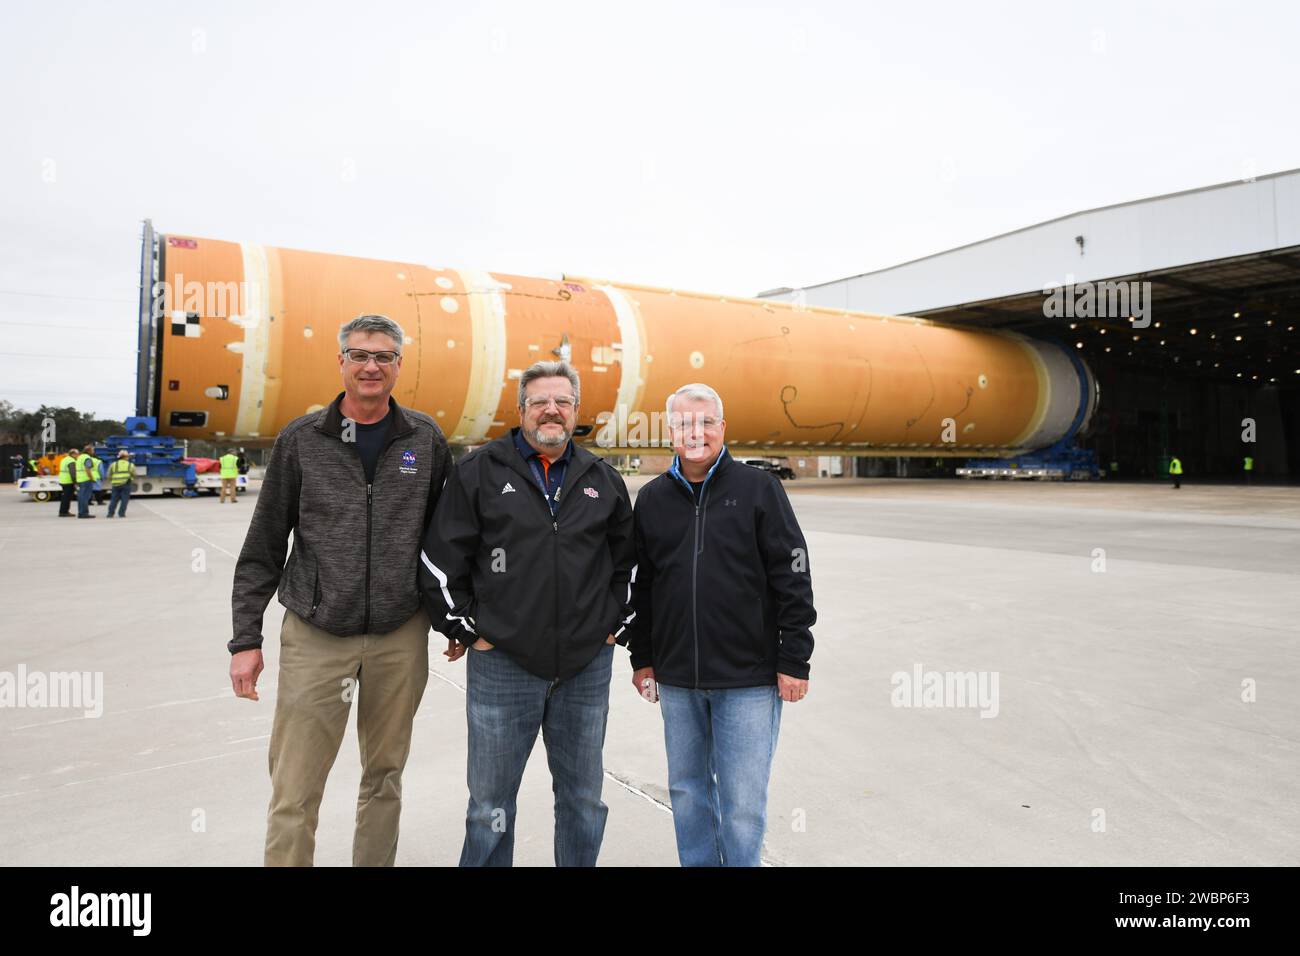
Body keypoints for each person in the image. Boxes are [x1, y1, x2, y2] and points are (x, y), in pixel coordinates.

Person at [229, 313, 451, 867]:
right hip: (316, 632)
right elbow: (262, 545)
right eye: (359, 355)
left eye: (383, 356)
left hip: (400, 635)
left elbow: (447, 541)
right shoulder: (302, 440)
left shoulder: (423, 440)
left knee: (385, 777)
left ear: (399, 364)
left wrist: (455, 619)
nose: (371, 366)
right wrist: (245, 640)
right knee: (295, 785)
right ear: (342, 362)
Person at [419, 360, 635, 867]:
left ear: (576, 410)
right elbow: (439, 560)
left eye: (562, 401)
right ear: (521, 411)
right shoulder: (480, 470)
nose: (551, 410)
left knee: (584, 801)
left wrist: (612, 628)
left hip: (585, 669)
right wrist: (469, 631)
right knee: (490, 806)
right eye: (539, 401)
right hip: (503, 667)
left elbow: (628, 565)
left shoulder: (601, 479)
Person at [626, 383, 816, 867]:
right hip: (677, 679)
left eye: (706, 421)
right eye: (685, 423)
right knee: (687, 792)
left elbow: (792, 575)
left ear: (722, 429)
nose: (697, 432)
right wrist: (642, 657)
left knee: (742, 804)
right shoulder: (651, 499)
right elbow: (643, 585)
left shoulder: (759, 489)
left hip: (748, 680)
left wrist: (794, 658)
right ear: (670, 433)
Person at [106, 449, 135, 518]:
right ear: (125, 457)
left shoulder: (113, 464)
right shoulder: (130, 465)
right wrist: (131, 479)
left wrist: (111, 481)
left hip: (115, 484)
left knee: (114, 499)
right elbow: (134, 474)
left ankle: (110, 514)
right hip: (126, 484)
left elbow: (108, 475)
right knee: (124, 500)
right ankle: (121, 514)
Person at [74, 447, 96, 518]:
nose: (93, 452)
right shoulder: (87, 458)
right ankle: (84, 513)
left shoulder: (79, 457)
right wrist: (91, 478)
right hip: (86, 479)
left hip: (80, 479)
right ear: (89, 451)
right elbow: (87, 469)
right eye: (93, 450)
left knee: (81, 497)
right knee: (85, 497)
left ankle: (80, 513)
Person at [57, 449, 78, 516]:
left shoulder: (65, 459)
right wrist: (75, 482)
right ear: (73, 454)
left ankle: (64, 511)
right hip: (68, 481)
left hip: (63, 480)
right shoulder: (71, 461)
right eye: (76, 454)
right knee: (67, 498)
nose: (77, 455)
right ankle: (64, 512)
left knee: (65, 497)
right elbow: (73, 473)